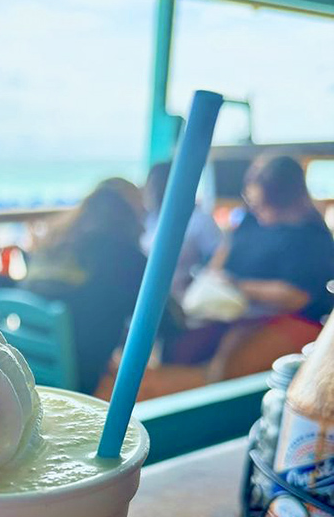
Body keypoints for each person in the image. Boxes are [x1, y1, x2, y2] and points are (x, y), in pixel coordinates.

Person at [114, 154, 334, 400]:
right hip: (235, 309)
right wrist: (212, 277)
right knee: (182, 346)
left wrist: (239, 287)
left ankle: (192, 398)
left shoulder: (311, 237)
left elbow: (298, 296)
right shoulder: (252, 220)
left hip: (289, 317)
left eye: (262, 203)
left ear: (281, 197)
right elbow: (225, 250)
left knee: (228, 364)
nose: (256, 208)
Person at [25, 182, 146, 394]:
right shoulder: (123, 254)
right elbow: (163, 323)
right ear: (129, 214)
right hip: (89, 383)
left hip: (37, 373)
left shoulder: (53, 244)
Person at [142, 161, 221, 299]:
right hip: (145, 295)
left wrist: (199, 280)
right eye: (150, 186)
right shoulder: (148, 218)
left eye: (157, 185)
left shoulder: (199, 220)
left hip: (183, 296)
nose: (151, 191)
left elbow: (219, 254)